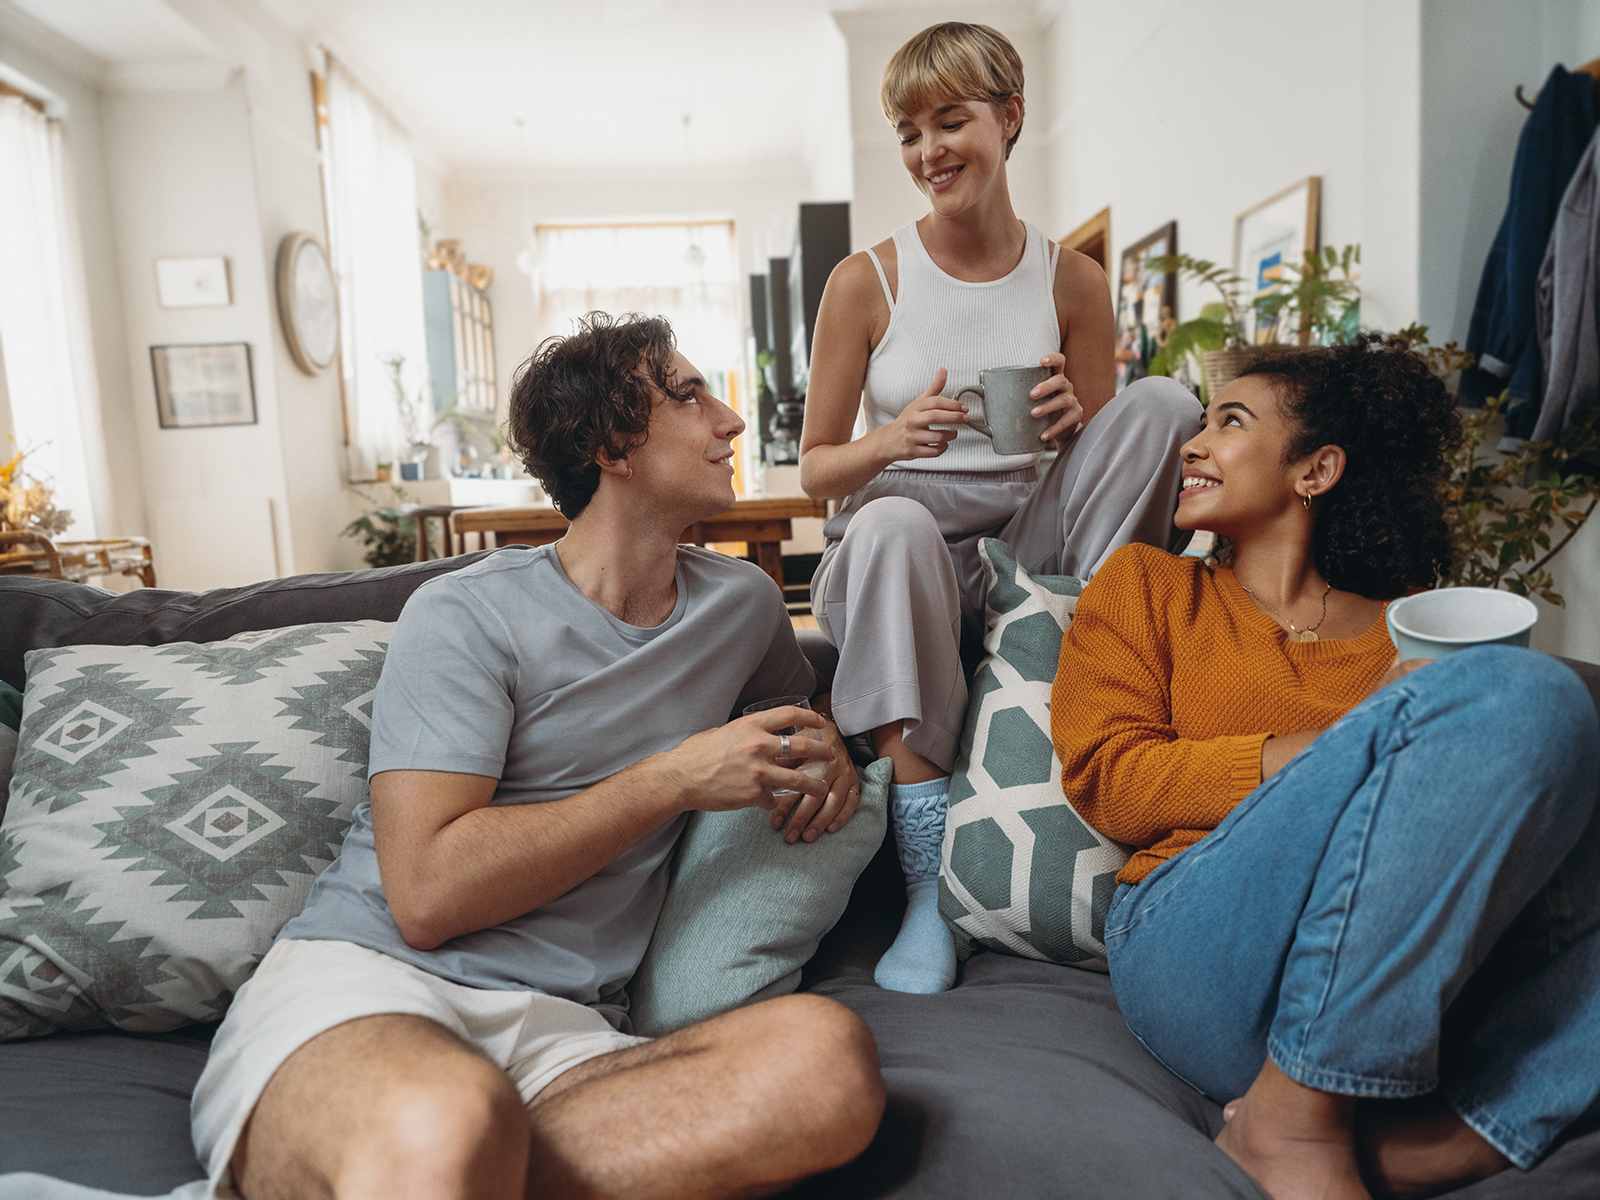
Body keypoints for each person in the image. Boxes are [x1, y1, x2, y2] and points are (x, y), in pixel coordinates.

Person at [189, 313, 885, 1200]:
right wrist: (673, 780)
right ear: (611, 446)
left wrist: (827, 746)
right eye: (689, 395)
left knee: (823, 1064)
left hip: (569, 1034)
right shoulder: (467, 615)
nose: (731, 420)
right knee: (446, 1123)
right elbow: (428, 895)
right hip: (376, 990)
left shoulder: (744, 608)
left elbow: (798, 717)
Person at [1050, 334, 1600, 1200]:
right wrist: (1352, 743)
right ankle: (1291, 1122)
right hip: (1201, 944)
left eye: (1228, 421)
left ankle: (1463, 1139)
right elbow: (1110, 782)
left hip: (1415, 976)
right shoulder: (1145, 586)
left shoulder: (1404, 631)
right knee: (1524, 695)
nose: (1190, 444)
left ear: (1316, 471)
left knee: (1545, 710)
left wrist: (1418, 723)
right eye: (1199, 423)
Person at [799, 20, 1201, 995]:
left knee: (1163, 403)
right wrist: (891, 441)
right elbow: (815, 469)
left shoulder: (1074, 279)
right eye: (907, 131)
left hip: (1026, 547)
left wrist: (1077, 424)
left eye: (950, 121)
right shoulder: (866, 280)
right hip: (895, 542)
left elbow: (1115, 457)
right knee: (891, 523)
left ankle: (1081, 664)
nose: (928, 151)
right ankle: (928, 895)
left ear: (1008, 116)